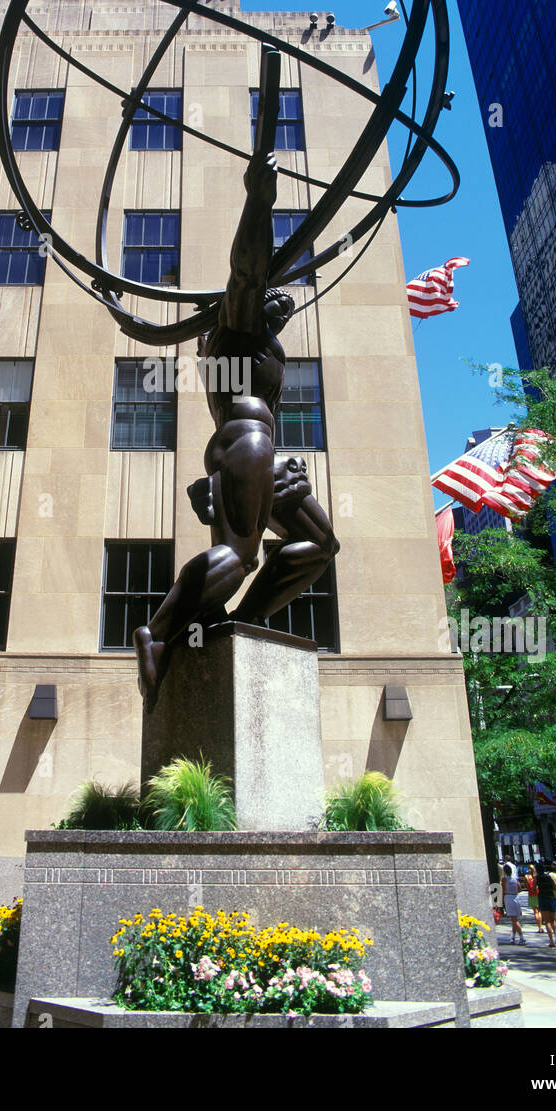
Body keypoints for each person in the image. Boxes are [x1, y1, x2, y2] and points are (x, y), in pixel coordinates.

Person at [133, 147, 339, 708]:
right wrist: (260, 197)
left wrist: (277, 464)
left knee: (320, 543)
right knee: (241, 556)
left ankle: (242, 625)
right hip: (245, 443)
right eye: (269, 294)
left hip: (256, 449)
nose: (281, 295)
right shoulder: (238, 325)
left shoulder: (252, 343)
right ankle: (158, 630)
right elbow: (248, 268)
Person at [537, 860, 556, 947]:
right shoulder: (550, 877)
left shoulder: (537, 878)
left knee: (547, 921)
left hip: (542, 899)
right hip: (551, 898)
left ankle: (551, 941)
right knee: (553, 920)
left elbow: (533, 889)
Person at [502, 863, 525, 944]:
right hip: (516, 897)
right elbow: (520, 889)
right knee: (514, 919)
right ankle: (513, 937)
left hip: (508, 898)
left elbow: (502, 889)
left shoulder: (504, 879)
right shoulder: (515, 879)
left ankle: (522, 937)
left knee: (514, 920)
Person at [524, 865, 543, 933]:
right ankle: (541, 926)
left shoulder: (527, 877)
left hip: (531, 895)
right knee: (539, 911)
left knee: (535, 912)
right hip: (538, 894)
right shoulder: (537, 877)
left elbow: (526, 886)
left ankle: (539, 927)